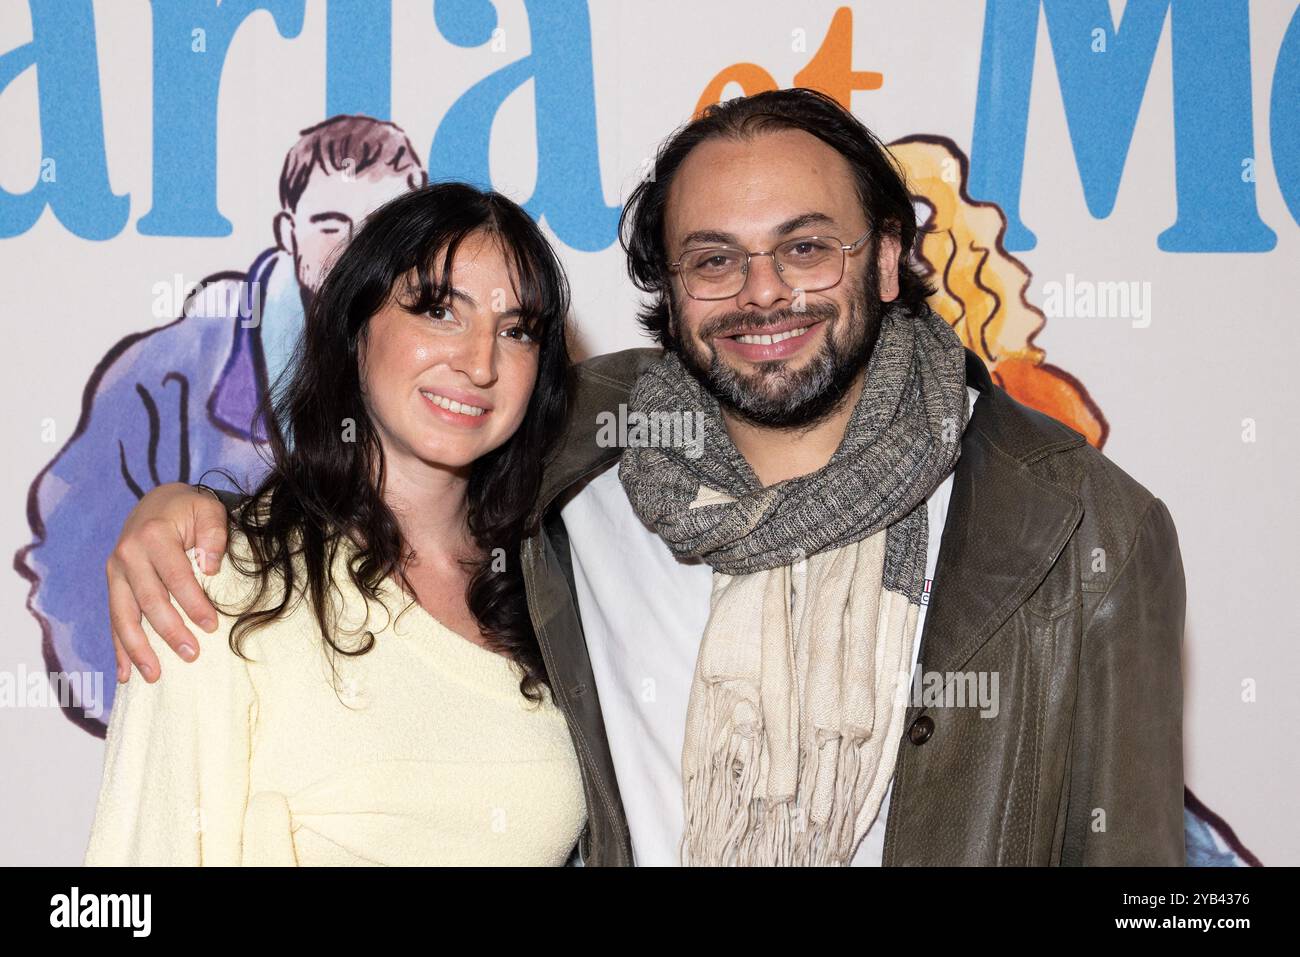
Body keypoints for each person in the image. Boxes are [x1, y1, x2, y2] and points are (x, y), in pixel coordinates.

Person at [105, 89, 1186, 866]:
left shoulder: (1075, 524)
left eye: (808, 248)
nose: (763, 293)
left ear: (892, 257)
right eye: (712, 258)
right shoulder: (589, 468)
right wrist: (183, 508)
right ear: (668, 291)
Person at [86, 182, 585, 865]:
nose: (478, 363)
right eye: (439, 311)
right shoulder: (213, 577)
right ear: (355, 329)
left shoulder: (561, 589)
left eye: (517, 329)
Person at [18, 116, 425, 722]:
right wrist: (163, 728)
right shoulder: (170, 371)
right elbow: (64, 553)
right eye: (329, 224)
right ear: (288, 231)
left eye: (379, 229)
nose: (351, 251)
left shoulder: (456, 388)